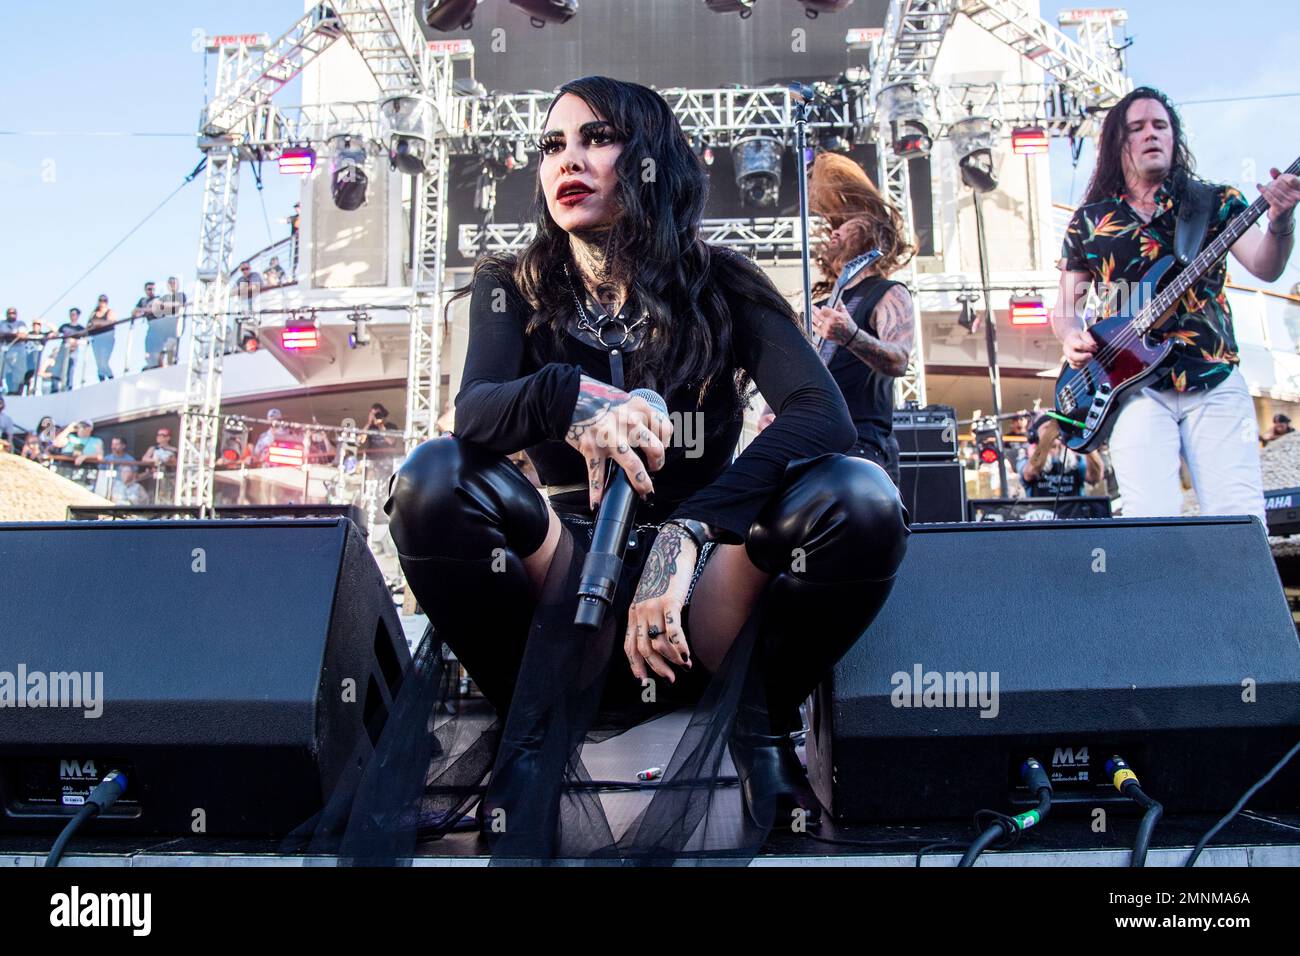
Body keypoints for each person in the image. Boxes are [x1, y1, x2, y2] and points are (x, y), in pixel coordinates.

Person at [326, 76, 909, 865]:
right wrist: (570, 396)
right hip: (563, 594)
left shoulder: (724, 280)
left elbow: (821, 415)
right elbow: (476, 416)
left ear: (650, 161)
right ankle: (525, 733)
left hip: (701, 601)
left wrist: (689, 529)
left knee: (860, 497)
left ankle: (763, 733)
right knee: (433, 479)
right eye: (552, 145)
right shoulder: (514, 284)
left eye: (596, 138)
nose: (569, 159)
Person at [1053, 87, 1298, 521]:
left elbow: (1265, 266)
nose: (1151, 134)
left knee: (1238, 517)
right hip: (1132, 386)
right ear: (1119, 142)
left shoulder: (1215, 202)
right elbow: (1066, 305)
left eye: (1160, 125)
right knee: (1150, 520)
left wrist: (1280, 224)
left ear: (1173, 137)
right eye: (1137, 127)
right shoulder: (1091, 220)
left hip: (1213, 375)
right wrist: (1071, 336)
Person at [770, 151, 917, 486]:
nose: (833, 232)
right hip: (806, 445)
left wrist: (851, 336)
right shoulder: (818, 304)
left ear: (872, 233)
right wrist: (771, 413)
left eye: (844, 224)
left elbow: (899, 360)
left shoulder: (887, 293)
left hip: (859, 447)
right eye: (831, 226)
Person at [1019, 415, 1103, 498]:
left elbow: (1094, 477)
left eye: (1057, 428)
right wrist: (1048, 436)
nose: (1054, 431)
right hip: (1041, 511)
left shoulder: (1075, 458)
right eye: (1047, 427)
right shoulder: (1026, 456)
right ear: (1036, 434)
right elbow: (1029, 474)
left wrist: (1085, 438)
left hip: (1073, 511)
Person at [53, 308, 86, 392]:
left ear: (78, 316)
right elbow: (56, 333)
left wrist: (76, 342)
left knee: (71, 368)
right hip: (64, 347)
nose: (72, 316)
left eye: (74, 314)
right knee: (58, 366)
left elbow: (86, 340)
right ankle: (55, 387)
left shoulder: (80, 328)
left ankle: (68, 387)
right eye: (71, 314)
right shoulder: (64, 326)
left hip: (74, 349)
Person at [86, 295, 117, 381]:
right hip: (96, 339)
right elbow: (89, 324)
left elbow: (112, 322)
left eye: (104, 301)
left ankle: (111, 378)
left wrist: (98, 323)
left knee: (104, 361)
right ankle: (102, 380)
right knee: (99, 362)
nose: (102, 303)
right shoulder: (93, 313)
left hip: (106, 338)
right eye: (100, 301)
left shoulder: (110, 312)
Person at [1, 307, 27, 394]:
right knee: (5, 372)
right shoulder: (2, 324)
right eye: (9, 313)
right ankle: (6, 390)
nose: (11, 314)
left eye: (13, 313)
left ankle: (17, 391)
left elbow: (23, 335)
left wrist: (11, 335)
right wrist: (14, 334)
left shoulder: (20, 323)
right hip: (5, 350)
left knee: (18, 373)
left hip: (18, 351)